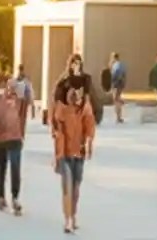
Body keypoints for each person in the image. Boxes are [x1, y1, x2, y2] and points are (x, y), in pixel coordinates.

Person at [52, 85, 96, 234]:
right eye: (70, 95)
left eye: (76, 95)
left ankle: (73, 215)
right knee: (67, 189)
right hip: (65, 155)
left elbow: (90, 128)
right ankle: (67, 220)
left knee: (76, 189)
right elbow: (56, 129)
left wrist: (89, 144)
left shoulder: (84, 110)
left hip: (79, 155)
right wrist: (57, 156)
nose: (73, 97)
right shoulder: (61, 111)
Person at [0, 72, 26, 215]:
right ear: (4, 87)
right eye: (9, 86)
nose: (12, 90)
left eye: (14, 87)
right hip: (0, 140)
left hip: (15, 139)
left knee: (15, 168)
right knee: (0, 169)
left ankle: (15, 197)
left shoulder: (20, 102)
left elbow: (23, 117)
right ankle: (1, 196)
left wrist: (22, 135)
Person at [13, 64, 35, 135]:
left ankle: (21, 131)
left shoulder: (23, 80)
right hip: (20, 100)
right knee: (20, 117)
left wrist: (31, 101)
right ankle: (20, 131)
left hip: (22, 100)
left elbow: (29, 90)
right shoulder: (18, 79)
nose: (20, 71)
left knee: (21, 117)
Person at [110, 52, 127, 123]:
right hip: (121, 84)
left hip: (116, 84)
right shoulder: (122, 65)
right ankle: (119, 116)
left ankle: (118, 117)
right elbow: (124, 75)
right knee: (117, 99)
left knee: (116, 100)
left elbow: (114, 76)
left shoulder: (115, 66)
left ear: (114, 58)